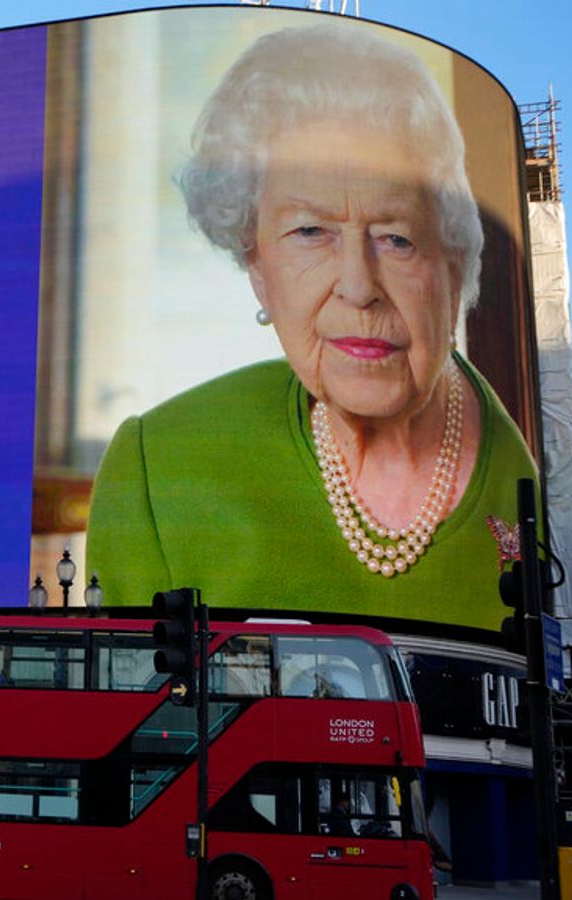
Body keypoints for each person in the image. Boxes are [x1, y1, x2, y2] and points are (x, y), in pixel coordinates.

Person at [85, 22, 536, 626]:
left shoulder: (521, 481)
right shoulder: (160, 468)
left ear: (453, 262)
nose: (357, 285)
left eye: (395, 238)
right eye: (309, 232)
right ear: (257, 265)